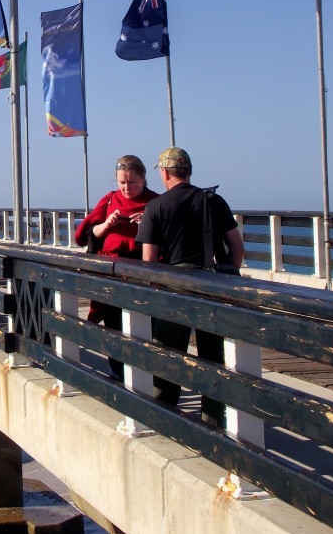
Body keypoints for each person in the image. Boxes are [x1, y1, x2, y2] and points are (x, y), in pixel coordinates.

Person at [136, 147, 244, 427]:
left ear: (164, 173)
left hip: (174, 290)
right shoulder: (213, 201)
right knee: (213, 358)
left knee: (169, 357)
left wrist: (156, 292)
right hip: (212, 287)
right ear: (188, 171)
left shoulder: (156, 207)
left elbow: (149, 261)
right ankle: (212, 420)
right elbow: (236, 248)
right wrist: (227, 275)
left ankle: (167, 417)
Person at [75, 155, 158, 378]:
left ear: (143, 179)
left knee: (142, 331)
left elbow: (168, 239)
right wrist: (106, 224)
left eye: (132, 182)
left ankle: (141, 379)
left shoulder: (155, 202)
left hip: (141, 275)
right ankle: (118, 377)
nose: (126, 187)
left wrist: (147, 225)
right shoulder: (111, 199)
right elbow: (86, 235)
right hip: (110, 276)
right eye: (122, 182)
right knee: (115, 329)